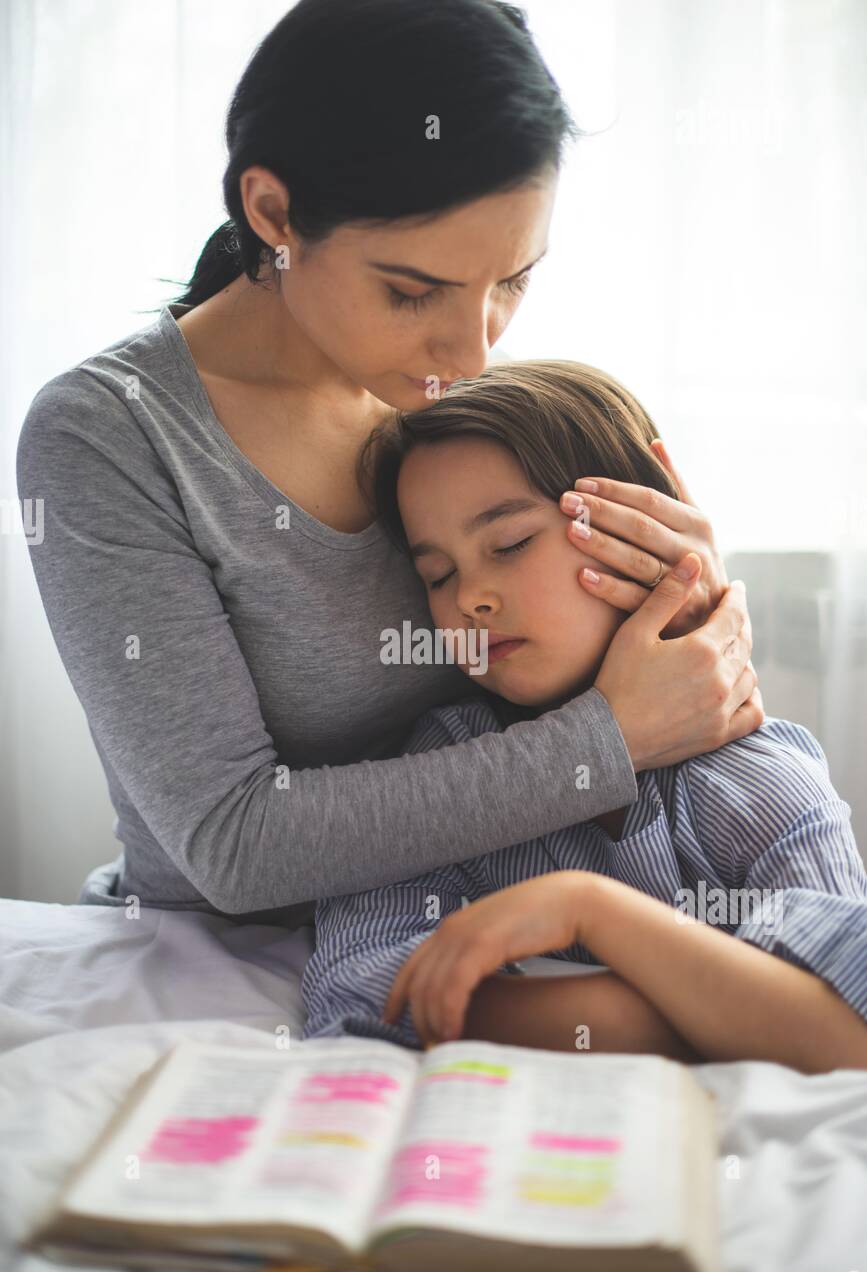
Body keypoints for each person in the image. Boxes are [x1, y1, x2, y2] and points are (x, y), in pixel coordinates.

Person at [16, 0, 758, 933]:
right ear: (273, 213)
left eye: (512, 282)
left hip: (486, 925)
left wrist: (683, 612)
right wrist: (611, 740)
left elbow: (598, 669)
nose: (475, 351)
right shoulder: (111, 436)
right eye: (413, 292)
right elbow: (234, 846)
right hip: (226, 961)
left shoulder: (450, 399)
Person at [301, 361, 867, 1075]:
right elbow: (364, 995)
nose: (470, 596)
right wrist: (722, 1010)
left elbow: (848, 1023)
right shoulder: (440, 763)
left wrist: (589, 909)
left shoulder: (751, 775)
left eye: (508, 544)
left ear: (648, 519)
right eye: (436, 574)